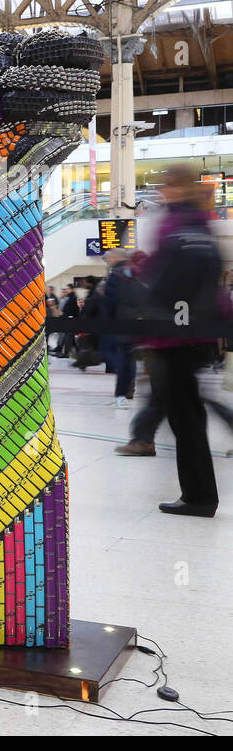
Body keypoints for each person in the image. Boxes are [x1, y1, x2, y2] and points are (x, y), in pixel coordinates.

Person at [118, 165, 222, 517]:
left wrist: (148, 319)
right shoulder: (202, 223)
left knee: (185, 417)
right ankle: (199, 494)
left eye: (168, 185)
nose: (164, 190)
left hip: (171, 336)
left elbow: (161, 281)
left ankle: (198, 496)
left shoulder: (173, 224)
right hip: (196, 333)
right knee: (190, 413)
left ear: (177, 187)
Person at [101, 251, 142, 406]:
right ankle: (127, 389)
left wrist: (109, 321)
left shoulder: (115, 275)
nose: (108, 260)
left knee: (112, 353)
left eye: (109, 258)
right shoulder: (134, 273)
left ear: (115, 258)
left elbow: (111, 300)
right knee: (129, 356)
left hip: (118, 323)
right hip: (133, 322)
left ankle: (121, 393)